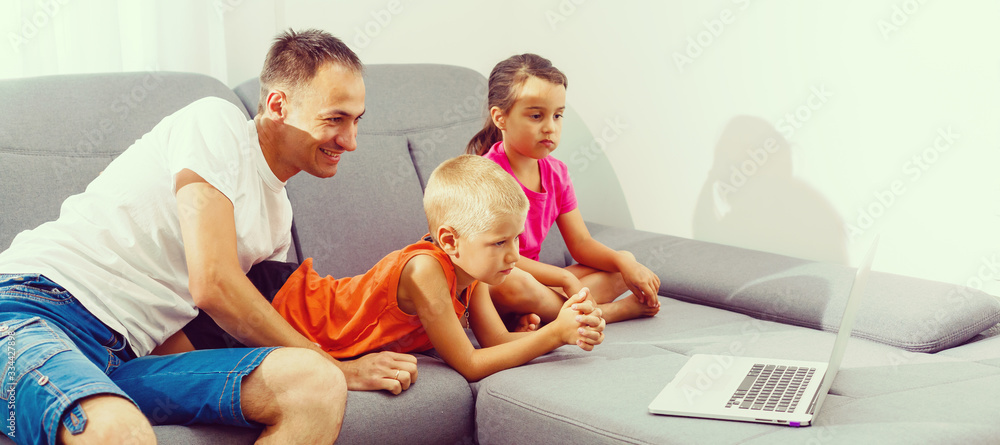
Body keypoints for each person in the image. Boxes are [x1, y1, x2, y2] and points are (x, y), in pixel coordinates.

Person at [0, 29, 403, 445]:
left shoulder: (276, 218)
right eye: (335, 118)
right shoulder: (216, 122)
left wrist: (298, 374)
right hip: (35, 311)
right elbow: (213, 284)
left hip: (129, 357)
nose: (350, 141)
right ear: (279, 105)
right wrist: (338, 363)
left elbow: (190, 325)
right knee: (115, 431)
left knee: (314, 384)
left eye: (356, 121)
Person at [466, 53, 661, 327]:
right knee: (514, 284)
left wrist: (621, 261)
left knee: (623, 268)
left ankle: (542, 312)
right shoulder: (487, 176)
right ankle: (607, 313)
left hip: (539, 283)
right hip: (499, 280)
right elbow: (501, 259)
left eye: (557, 115)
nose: (550, 127)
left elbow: (581, 244)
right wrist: (564, 279)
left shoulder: (557, 173)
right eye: (536, 115)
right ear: (500, 118)